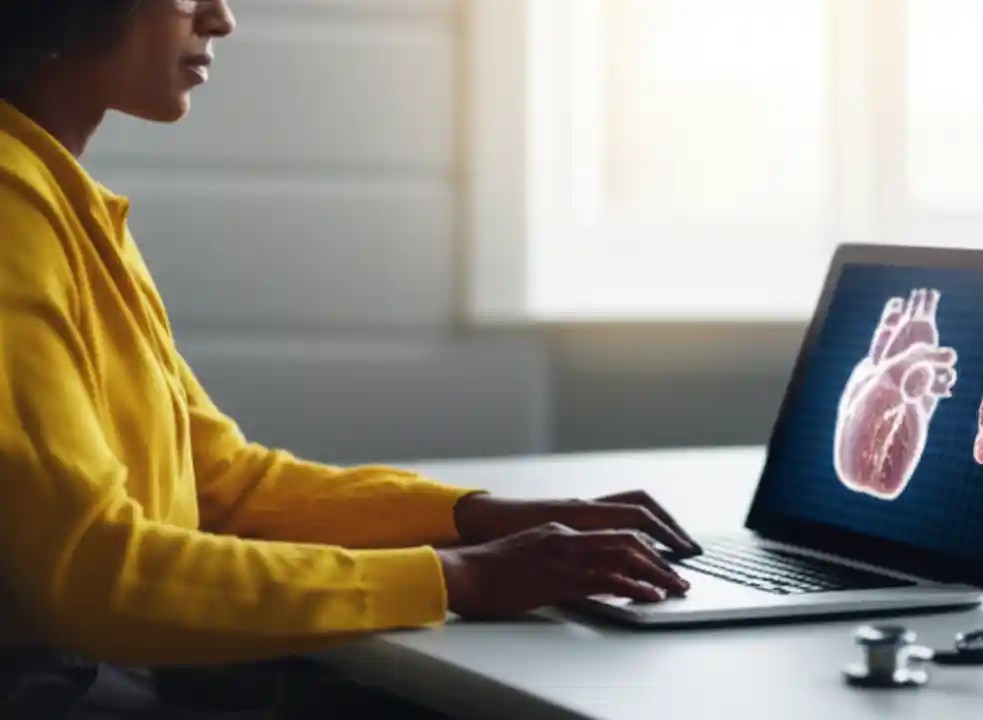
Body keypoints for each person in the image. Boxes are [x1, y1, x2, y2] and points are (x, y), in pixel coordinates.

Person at [0, 1, 700, 716]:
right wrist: (460, 578)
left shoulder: (57, 197)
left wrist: (482, 520)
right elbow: (92, 573)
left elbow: (224, 487)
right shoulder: (10, 211)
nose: (219, 18)